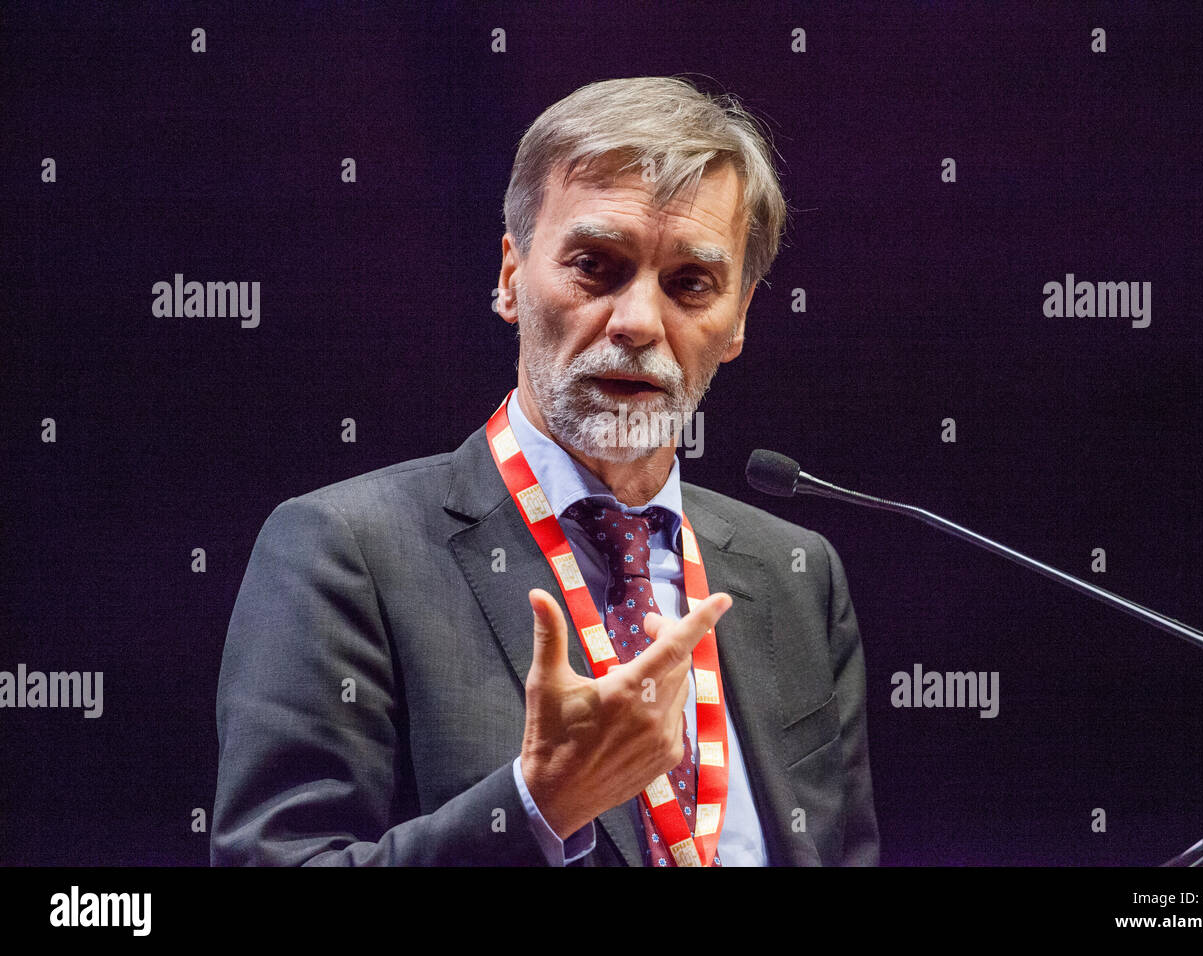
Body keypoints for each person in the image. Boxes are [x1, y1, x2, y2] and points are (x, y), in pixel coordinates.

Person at [212, 75, 879, 866]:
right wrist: (540, 806)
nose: (638, 322)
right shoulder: (345, 549)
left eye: (690, 284)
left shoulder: (797, 573)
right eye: (596, 265)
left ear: (738, 319)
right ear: (510, 278)